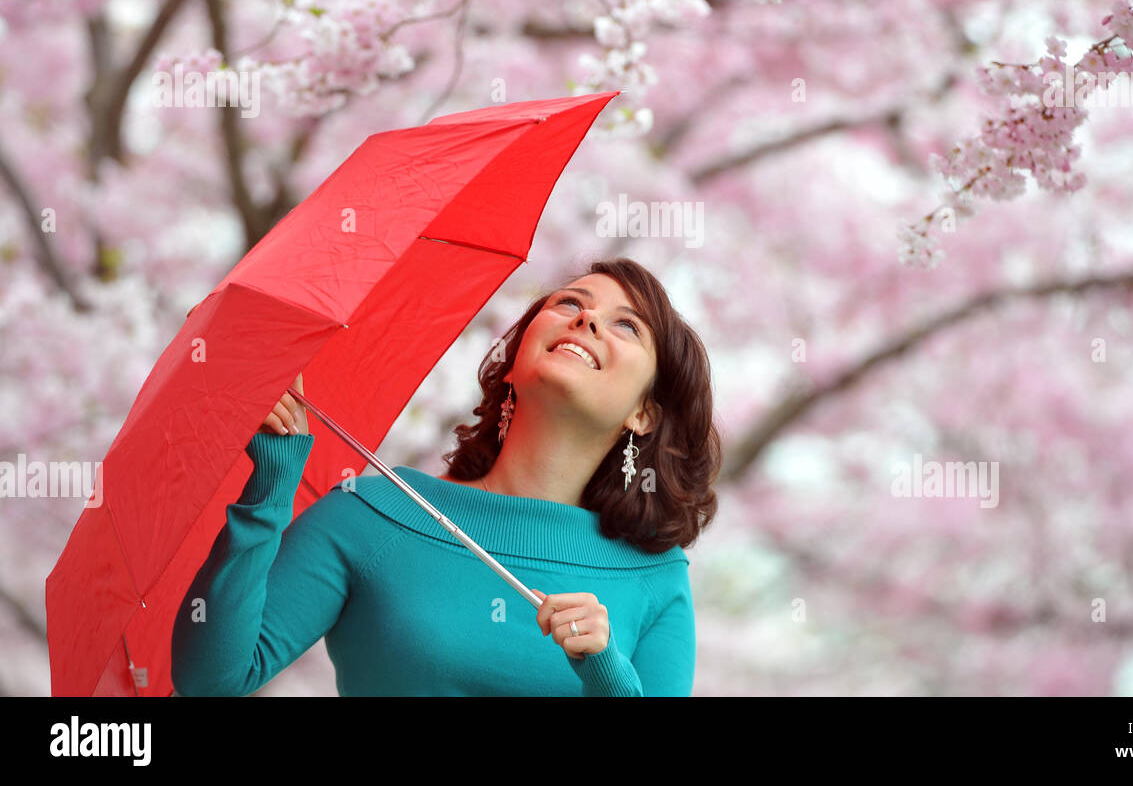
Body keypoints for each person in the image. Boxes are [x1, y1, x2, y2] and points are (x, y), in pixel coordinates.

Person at [170, 257, 722, 696]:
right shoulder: (373, 512)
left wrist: (606, 672)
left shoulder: (656, 576)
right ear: (512, 364)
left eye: (627, 325)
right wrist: (272, 479)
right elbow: (212, 679)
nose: (587, 318)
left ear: (644, 414)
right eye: (568, 303)